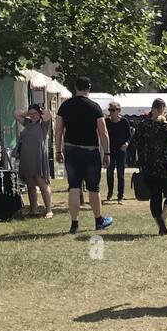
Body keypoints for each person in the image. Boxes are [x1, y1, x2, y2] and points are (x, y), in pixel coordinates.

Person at [54, 77, 113, 235]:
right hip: (90, 150)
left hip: (70, 150)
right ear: (89, 88)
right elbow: (103, 132)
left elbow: (58, 129)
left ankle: (74, 224)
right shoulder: (94, 107)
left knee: (74, 187)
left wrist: (58, 150)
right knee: (94, 188)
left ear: (75, 87)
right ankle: (98, 220)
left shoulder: (65, 106)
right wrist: (106, 152)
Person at [135, 98, 167, 234]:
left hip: (149, 168)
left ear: (152, 109)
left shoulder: (143, 126)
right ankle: (162, 217)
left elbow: (136, 144)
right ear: (164, 110)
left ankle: (160, 222)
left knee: (155, 196)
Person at [15, 103, 53, 217]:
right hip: (27, 156)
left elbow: (48, 114)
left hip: (38, 156)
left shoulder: (43, 125)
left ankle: (49, 210)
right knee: (30, 184)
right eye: (31, 114)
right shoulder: (27, 123)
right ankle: (33, 209)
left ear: (39, 114)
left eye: (35, 114)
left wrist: (39, 111)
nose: (33, 116)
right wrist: (29, 112)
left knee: (42, 183)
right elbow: (16, 114)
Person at [105, 102, 131, 204]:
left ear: (119, 110)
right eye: (110, 110)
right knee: (109, 173)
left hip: (121, 151)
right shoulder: (106, 121)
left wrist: (126, 143)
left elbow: (129, 136)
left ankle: (120, 196)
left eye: (113, 110)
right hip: (110, 151)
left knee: (121, 174)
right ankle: (110, 193)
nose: (111, 112)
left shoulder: (124, 122)